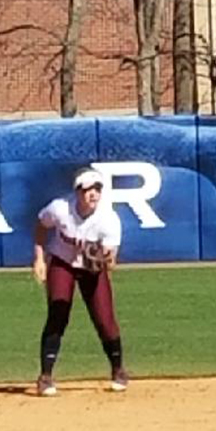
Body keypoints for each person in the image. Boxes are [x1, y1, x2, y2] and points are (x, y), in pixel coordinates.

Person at [31, 168, 128, 396]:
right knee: (58, 312)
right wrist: (38, 258)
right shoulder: (60, 209)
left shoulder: (108, 219)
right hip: (62, 262)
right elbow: (40, 226)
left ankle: (118, 370)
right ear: (77, 192)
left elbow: (112, 260)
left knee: (105, 320)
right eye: (88, 190)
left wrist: (103, 258)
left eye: (97, 189)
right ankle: (45, 377)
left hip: (91, 270)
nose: (93, 194)